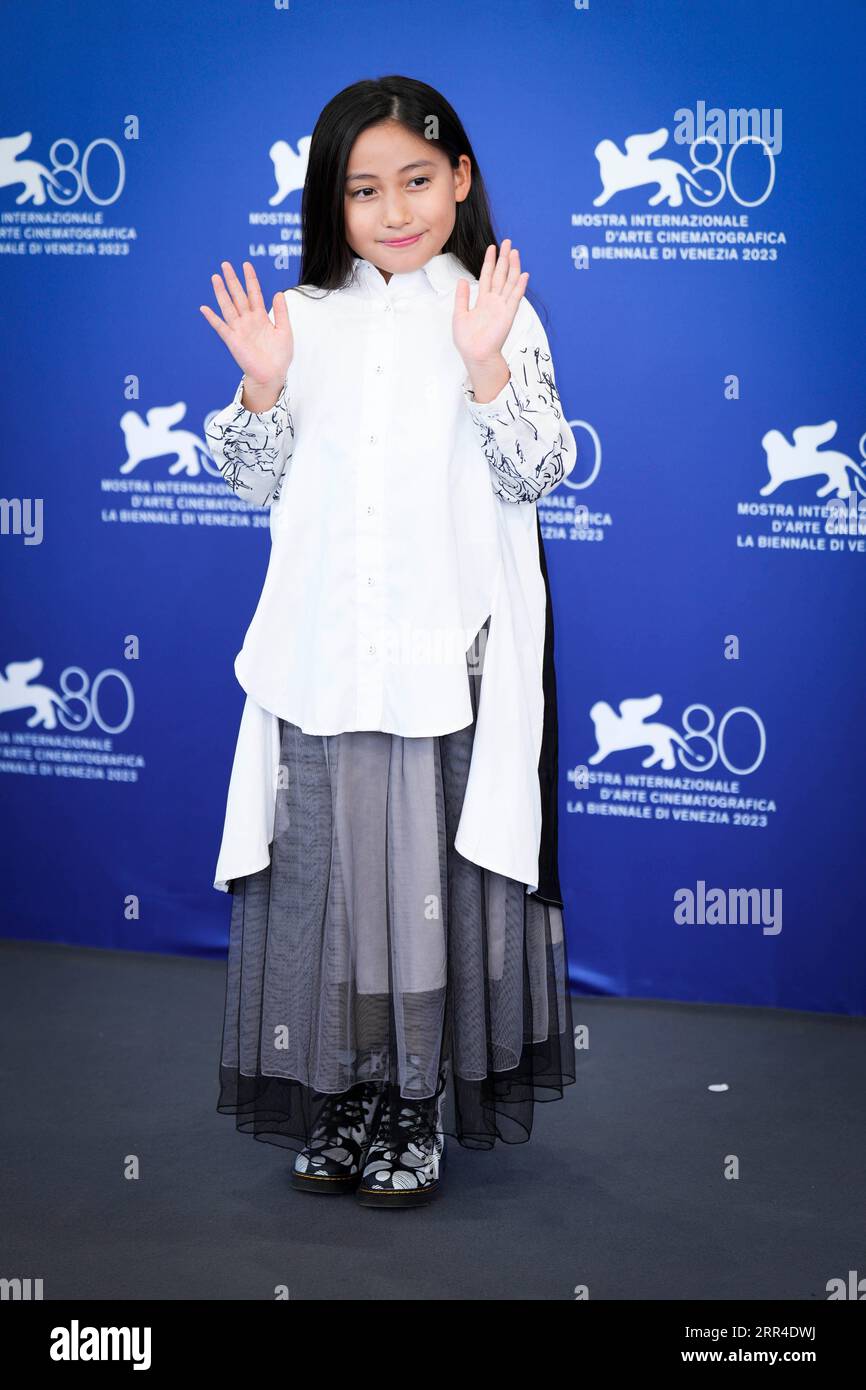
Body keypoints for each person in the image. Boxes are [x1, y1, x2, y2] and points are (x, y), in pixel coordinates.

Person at [200, 75, 577, 1209]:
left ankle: (415, 1103)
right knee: (331, 891)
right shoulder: (301, 317)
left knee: (423, 892)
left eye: (417, 180)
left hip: (441, 665)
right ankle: (346, 1094)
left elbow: (538, 469)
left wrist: (483, 365)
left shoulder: (496, 305)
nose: (395, 209)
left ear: (459, 180)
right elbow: (249, 483)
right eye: (364, 190)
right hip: (322, 665)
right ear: (332, 202)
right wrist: (262, 391)